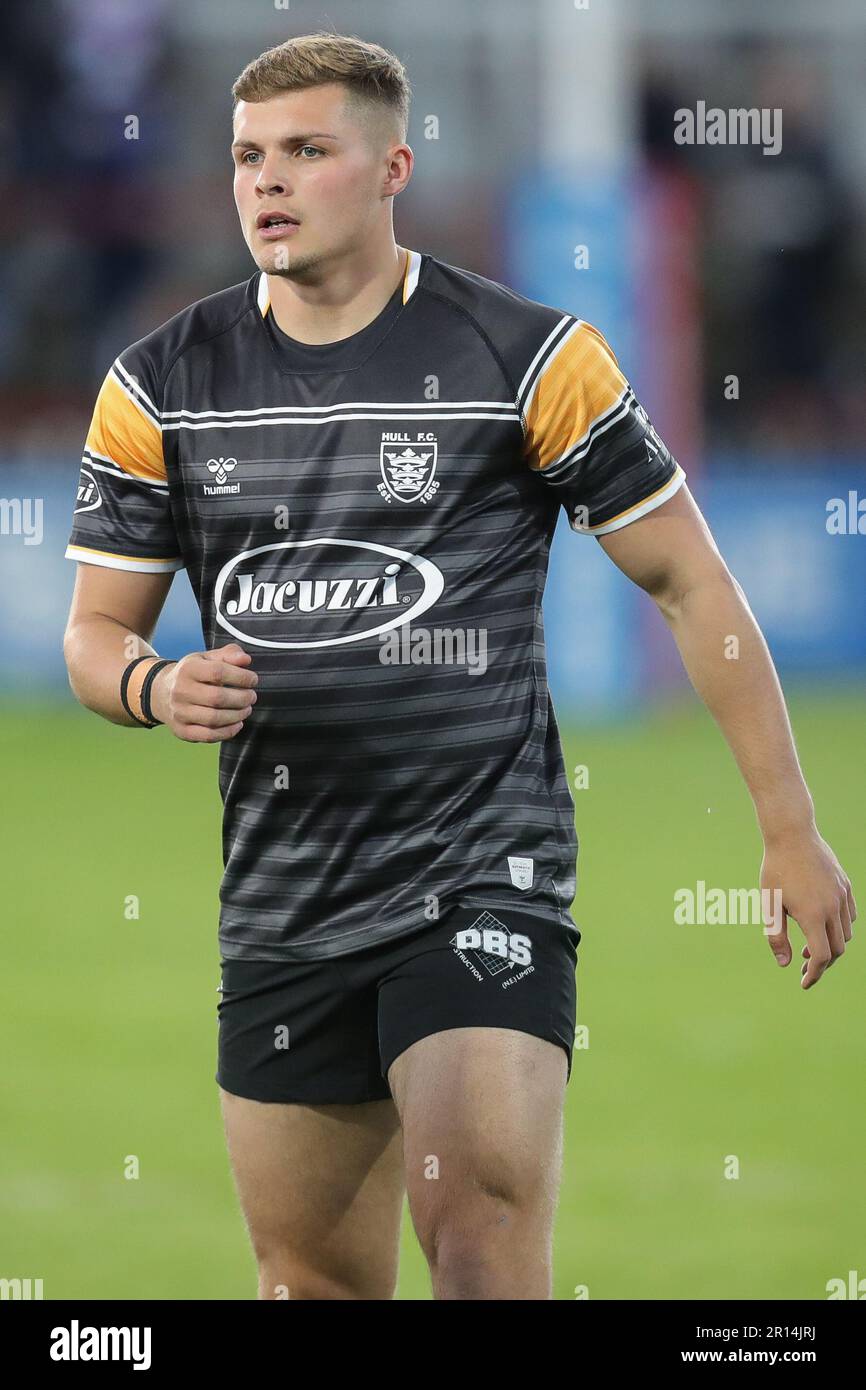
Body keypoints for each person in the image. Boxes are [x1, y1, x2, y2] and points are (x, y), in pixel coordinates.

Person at [63, 31, 856, 1301]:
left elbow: (686, 581)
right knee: (310, 1283)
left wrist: (786, 827)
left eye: (306, 152)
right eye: (247, 157)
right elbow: (94, 637)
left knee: (480, 1240)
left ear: (391, 168)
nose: (267, 182)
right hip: (283, 898)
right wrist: (152, 685)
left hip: (481, 872)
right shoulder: (159, 386)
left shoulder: (526, 358)